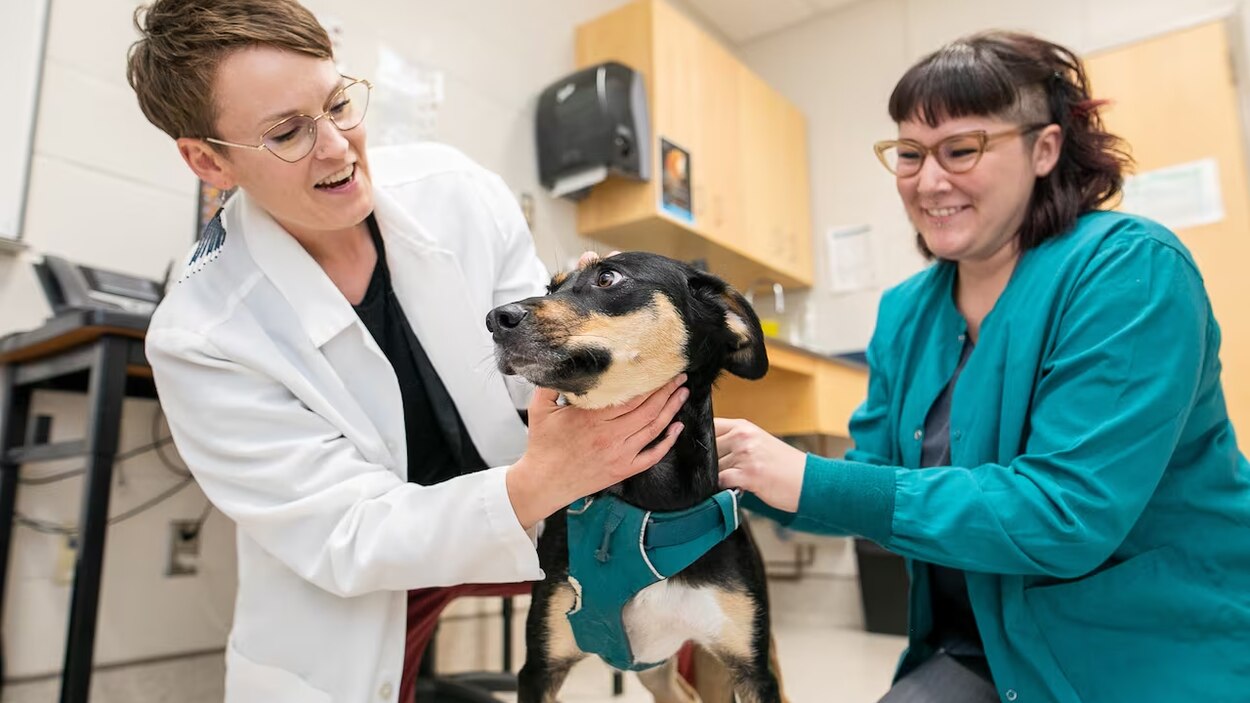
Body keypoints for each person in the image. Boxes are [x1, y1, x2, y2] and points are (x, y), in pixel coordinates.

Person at [126, 1, 689, 701]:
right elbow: (350, 534)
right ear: (208, 160)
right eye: (288, 133)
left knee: (697, 510)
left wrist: (581, 338)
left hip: (517, 507)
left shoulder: (458, 193)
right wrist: (535, 483)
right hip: (369, 571)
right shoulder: (201, 334)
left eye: (337, 104)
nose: (336, 146)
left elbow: (526, 382)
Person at [715, 30, 1250, 703]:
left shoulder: (1128, 270)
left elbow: (1066, 511)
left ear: (1045, 148)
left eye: (961, 150)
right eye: (909, 154)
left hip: (1138, 648)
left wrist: (811, 480)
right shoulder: (907, 310)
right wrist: (734, 472)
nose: (928, 181)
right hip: (982, 640)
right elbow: (873, 475)